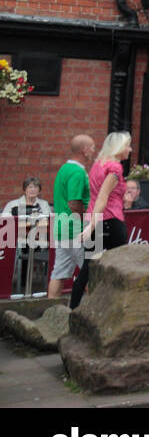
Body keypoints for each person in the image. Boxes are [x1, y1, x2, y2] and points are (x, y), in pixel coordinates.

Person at [68, 132, 133, 310]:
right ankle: (118, 309)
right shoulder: (115, 168)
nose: (130, 149)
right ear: (119, 148)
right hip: (110, 220)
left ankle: (74, 310)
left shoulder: (97, 165)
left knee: (87, 269)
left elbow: (98, 195)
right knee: (121, 266)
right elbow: (102, 198)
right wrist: (90, 227)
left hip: (95, 219)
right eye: (128, 145)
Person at [49, 134, 93, 298]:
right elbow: (74, 202)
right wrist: (87, 224)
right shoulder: (77, 172)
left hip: (62, 228)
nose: (94, 152)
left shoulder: (64, 169)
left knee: (58, 274)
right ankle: (95, 314)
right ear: (85, 150)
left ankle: (50, 311)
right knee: (92, 272)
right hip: (77, 230)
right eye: (93, 148)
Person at [5, 178, 52, 296]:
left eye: (35, 187)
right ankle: (20, 284)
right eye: (30, 187)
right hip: (17, 240)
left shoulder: (43, 204)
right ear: (24, 189)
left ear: (39, 190)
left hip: (38, 239)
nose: (33, 190)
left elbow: (46, 221)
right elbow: (6, 222)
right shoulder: (13, 205)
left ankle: (33, 285)